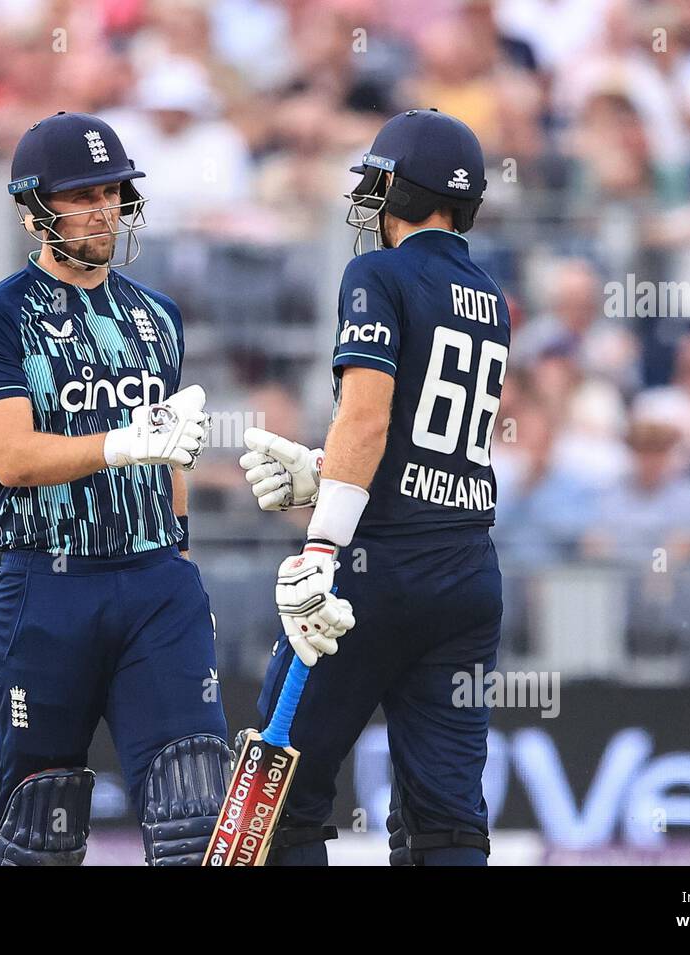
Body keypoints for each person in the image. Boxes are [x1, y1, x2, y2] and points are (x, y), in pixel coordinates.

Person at [0, 112, 230, 866]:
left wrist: (177, 546)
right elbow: (9, 456)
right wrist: (120, 444)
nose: (104, 208)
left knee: (200, 821)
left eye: (113, 190)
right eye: (82, 194)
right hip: (48, 584)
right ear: (35, 207)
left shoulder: (158, 316)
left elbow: (173, 455)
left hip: (155, 582)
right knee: (40, 832)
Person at [238, 109, 509, 865]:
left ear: (401, 189)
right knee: (446, 819)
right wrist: (323, 473)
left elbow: (368, 417)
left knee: (278, 794)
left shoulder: (378, 272)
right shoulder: (489, 295)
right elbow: (428, 444)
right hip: (465, 569)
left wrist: (321, 543)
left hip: (374, 568)